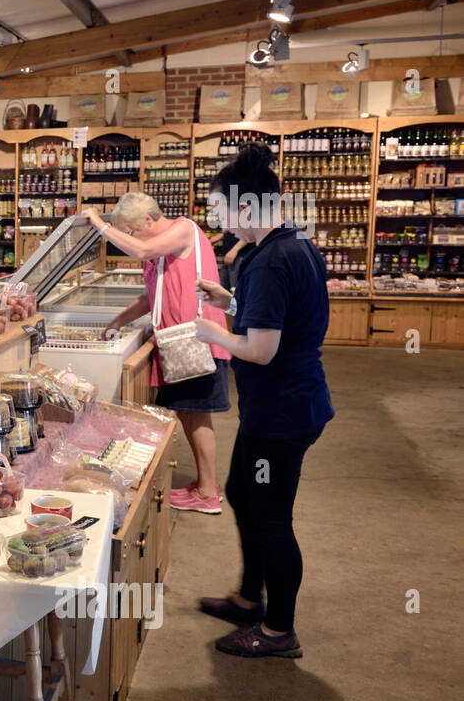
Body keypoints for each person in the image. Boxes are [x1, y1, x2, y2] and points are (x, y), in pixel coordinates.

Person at [192, 142, 333, 659]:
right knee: (242, 493)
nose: (220, 220)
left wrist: (215, 332)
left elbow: (260, 348)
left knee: (271, 517)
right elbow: (280, 315)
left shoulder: (269, 262)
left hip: (281, 410)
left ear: (246, 208)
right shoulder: (292, 245)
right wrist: (229, 301)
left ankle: (277, 631)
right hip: (285, 404)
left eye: (221, 209)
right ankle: (249, 597)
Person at [84, 193, 231, 513]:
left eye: (132, 230)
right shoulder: (159, 252)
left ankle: (208, 493)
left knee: (199, 414)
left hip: (197, 340)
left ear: (148, 220)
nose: (132, 238)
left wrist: (98, 224)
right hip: (179, 343)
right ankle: (204, 485)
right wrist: (116, 322)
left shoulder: (184, 230)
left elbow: (140, 249)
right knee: (190, 412)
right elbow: (150, 297)